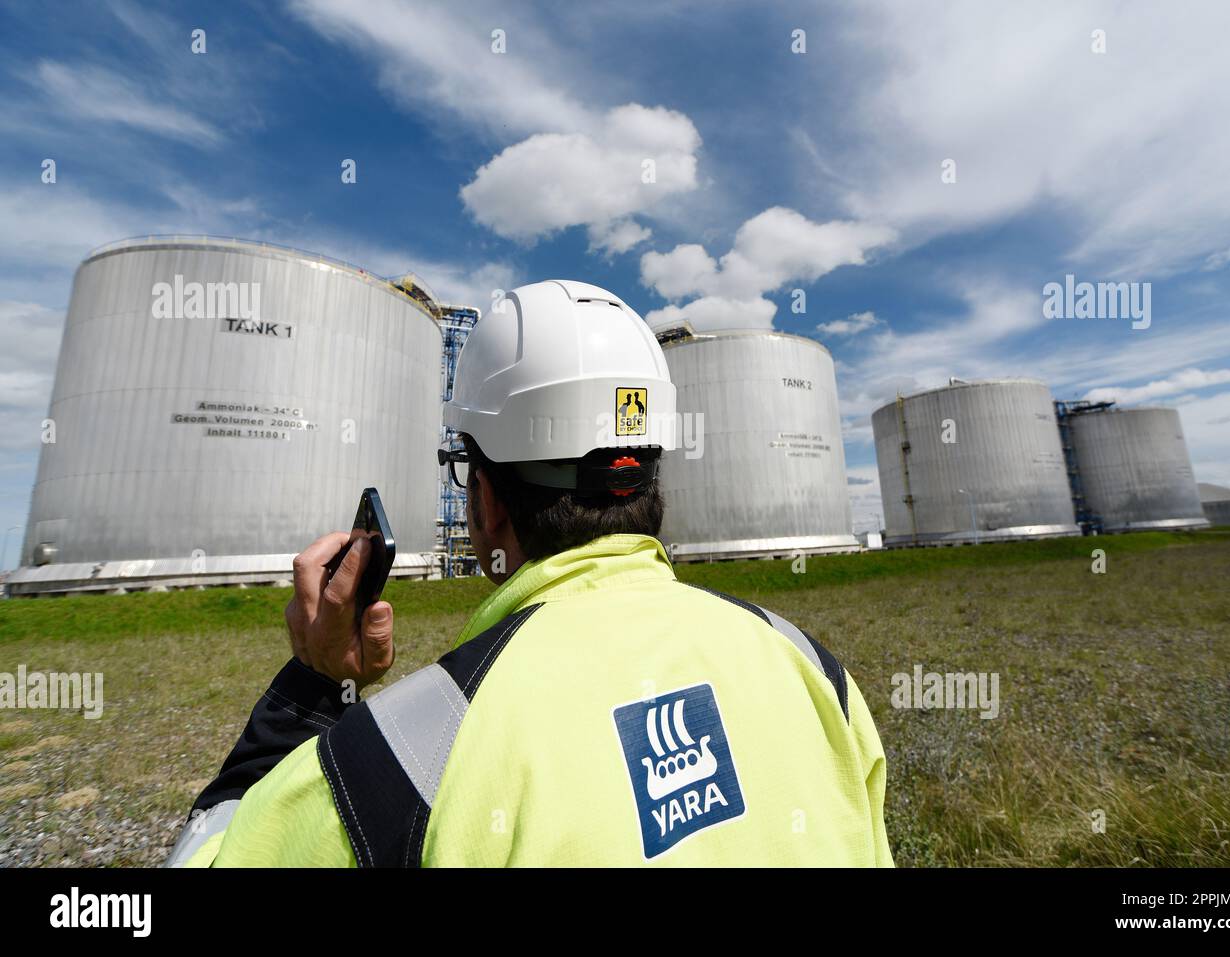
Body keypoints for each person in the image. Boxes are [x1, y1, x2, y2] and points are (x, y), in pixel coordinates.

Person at [165, 280, 892, 867]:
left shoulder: (405, 753)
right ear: (651, 472)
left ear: (483, 495)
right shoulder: (811, 667)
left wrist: (313, 686)